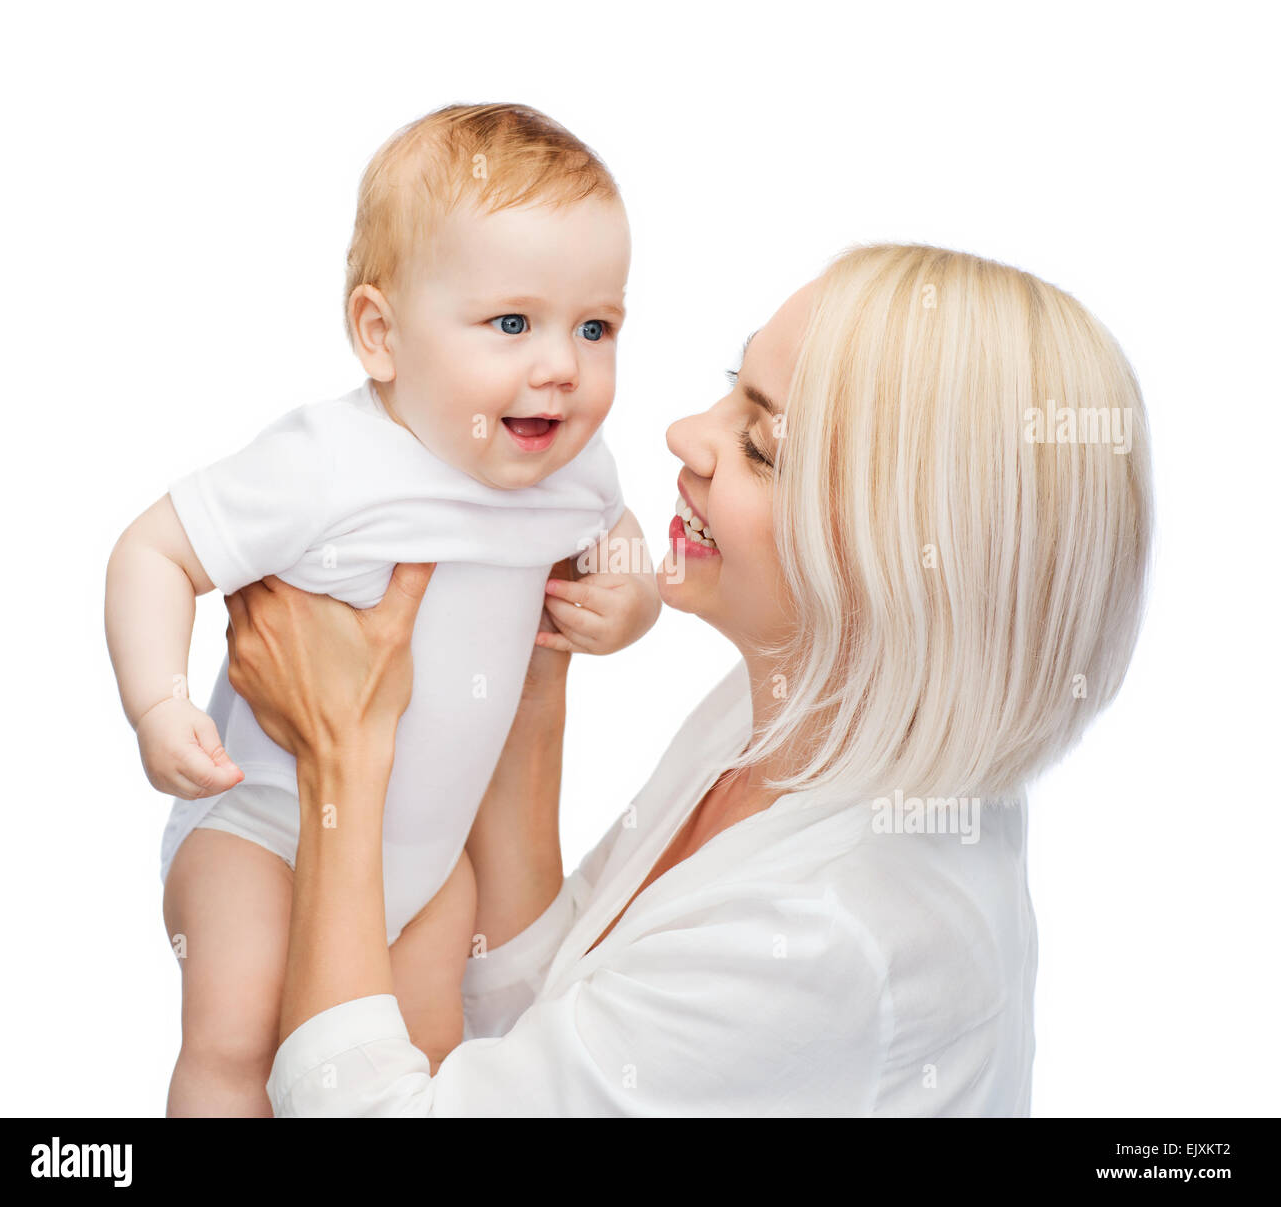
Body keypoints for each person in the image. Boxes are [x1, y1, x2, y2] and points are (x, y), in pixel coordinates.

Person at [222, 242, 1153, 1116]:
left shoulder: (832, 934)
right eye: (730, 389)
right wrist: (532, 668)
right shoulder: (820, 709)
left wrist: (342, 754)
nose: (683, 436)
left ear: (902, 569)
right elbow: (554, 1013)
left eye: (761, 448)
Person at [103, 103, 659, 1116]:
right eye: (511, 324)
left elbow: (623, 545)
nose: (561, 365)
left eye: (596, 326)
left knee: (421, 1062)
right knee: (236, 1040)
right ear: (380, 335)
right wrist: (156, 702)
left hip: (429, 861)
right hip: (265, 829)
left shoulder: (573, 472)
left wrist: (629, 607)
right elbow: (153, 548)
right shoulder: (329, 465)